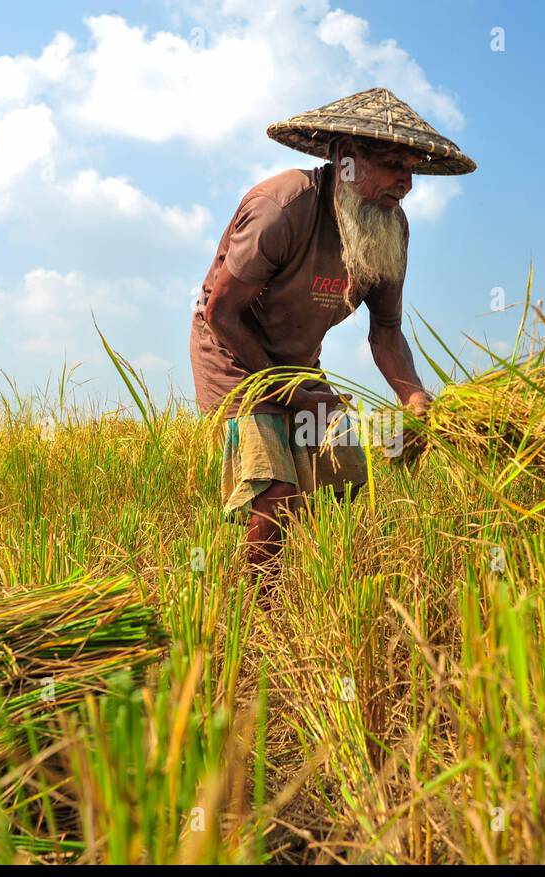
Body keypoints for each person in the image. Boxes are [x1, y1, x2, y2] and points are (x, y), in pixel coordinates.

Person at [189, 87, 477, 579]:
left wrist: (414, 399)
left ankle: (320, 592)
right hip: (234, 356)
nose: (405, 182)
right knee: (276, 492)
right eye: (393, 165)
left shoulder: (390, 228)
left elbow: (385, 331)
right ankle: (257, 608)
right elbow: (222, 313)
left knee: (343, 478)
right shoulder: (281, 208)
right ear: (346, 159)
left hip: (299, 363)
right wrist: (291, 393)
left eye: (411, 170)